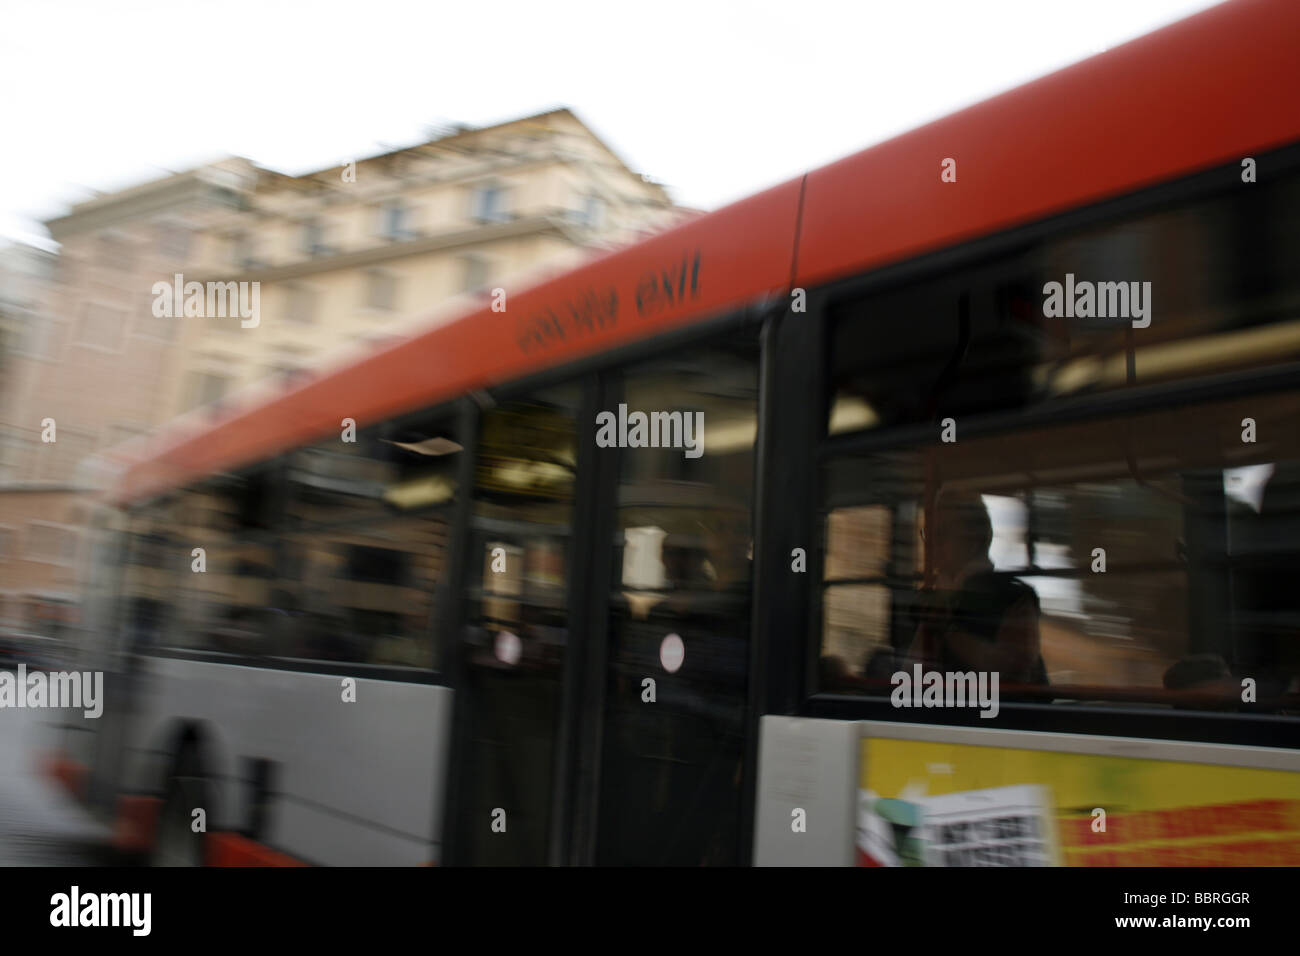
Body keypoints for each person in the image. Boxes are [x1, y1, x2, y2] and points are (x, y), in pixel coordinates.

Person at [907, 491, 1048, 687]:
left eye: (941, 534)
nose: (931, 544)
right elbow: (911, 678)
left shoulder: (1014, 597)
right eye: (927, 534)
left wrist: (946, 627)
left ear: (974, 537)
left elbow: (1011, 673)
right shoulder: (935, 597)